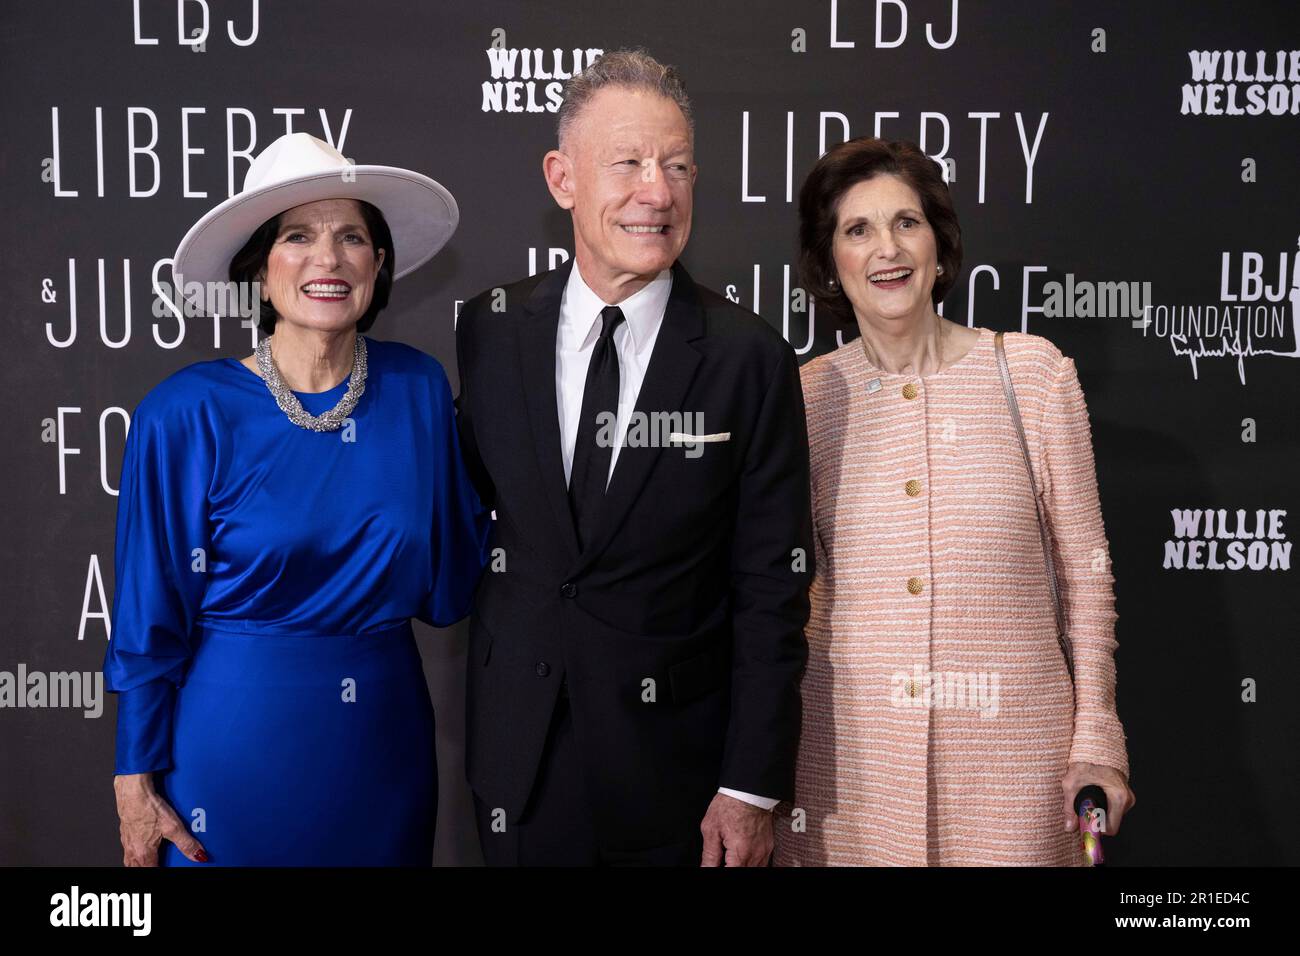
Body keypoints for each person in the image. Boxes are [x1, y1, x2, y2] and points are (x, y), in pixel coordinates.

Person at [454, 49, 813, 866]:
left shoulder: (746, 357)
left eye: (678, 166)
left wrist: (751, 785)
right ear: (561, 178)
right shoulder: (491, 330)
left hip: (679, 786)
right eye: (628, 164)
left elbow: (772, 585)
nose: (658, 191)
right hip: (517, 769)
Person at [104, 132, 491, 866]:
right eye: (297, 236)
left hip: (383, 749)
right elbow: (149, 616)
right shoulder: (186, 412)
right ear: (258, 266)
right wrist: (134, 779)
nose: (328, 258)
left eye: (353, 236)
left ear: (379, 264)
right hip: (229, 758)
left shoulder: (418, 388)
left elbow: (447, 589)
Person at [774, 137, 1136, 866]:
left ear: (939, 246)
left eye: (907, 222)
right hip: (848, 782)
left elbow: (1087, 580)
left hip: (1016, 783)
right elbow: (772, 591)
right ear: (831, 266)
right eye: (858, 229)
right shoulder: (806, 398)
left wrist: (1098, 738)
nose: (888, 248)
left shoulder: (1032, 376)